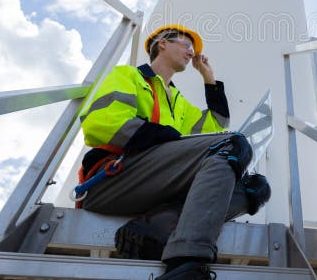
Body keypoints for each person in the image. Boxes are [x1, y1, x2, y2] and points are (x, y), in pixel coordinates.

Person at [77, 24, 270, 280]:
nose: (191, 52)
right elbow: (101, 122)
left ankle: (159, 224)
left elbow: (216, 127)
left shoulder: (178, 102)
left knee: (257, 188)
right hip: (113, 179)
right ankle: (186, 261)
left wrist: (209, 78)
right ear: (162, 43)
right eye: (186, 45)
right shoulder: (129, 75)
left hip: (157, 182)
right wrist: (165, 137)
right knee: (233, 144)